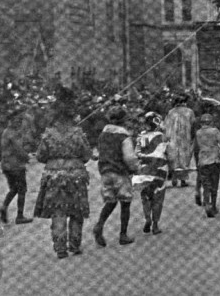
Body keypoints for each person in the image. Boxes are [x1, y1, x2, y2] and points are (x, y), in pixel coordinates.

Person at [33, 88, 92, 258]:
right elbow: (86, 155)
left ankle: (60, 248)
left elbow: (40, 156)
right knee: (76, 211)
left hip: (53, 177)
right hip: (76, 176)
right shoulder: (78, 133)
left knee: (58, 212)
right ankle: (75, 244)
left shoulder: (48, 135)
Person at [93, 106, 140, 247]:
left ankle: (99, 224)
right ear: (123, 120)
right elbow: (129, 157)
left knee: (110, 201)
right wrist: (136, 168)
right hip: (120, 172)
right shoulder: (123, 137)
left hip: (105, 172)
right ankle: (123, 235)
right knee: (125, 203)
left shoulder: (102, 135)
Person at [133, 111, 175, 235]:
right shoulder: (163, 137)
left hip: (143, 171)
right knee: (158, 198)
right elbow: (171, 156)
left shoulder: (140, 138)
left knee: (145, 196)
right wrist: (172, 170)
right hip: (159, 170)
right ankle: (155, 225)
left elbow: (137, 154)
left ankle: (147, 218)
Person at [0, 107, 34, 225]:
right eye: (17, 120)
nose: (19, 122)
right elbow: (18, 150)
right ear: (11, 120)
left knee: (14, 188)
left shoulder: (6, 132)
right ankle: (20, 216)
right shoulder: (12, 133)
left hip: (6, 166)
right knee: (22, 189)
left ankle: (4, 207)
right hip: (16, 167)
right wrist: (28, 157)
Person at [194, 113, 220, 218]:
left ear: (201, 123)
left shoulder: (198, 133)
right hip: (214, 161)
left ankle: (206, 203)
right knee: (214, 185)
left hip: (202, 162)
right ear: (211, 122)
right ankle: (213, 206)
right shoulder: (215, 131)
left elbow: (196, 147)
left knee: (206, 185)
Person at [165, 95, 196, 187]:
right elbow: (193, 124)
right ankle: (183, 180)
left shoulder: (171, 112)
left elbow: (167, 126)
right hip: (185, 138)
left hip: (173, 138)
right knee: (184, 158)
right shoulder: (189, 112)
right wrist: (193, 136)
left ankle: (174, 179)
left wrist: (167, 137)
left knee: (174, 158)